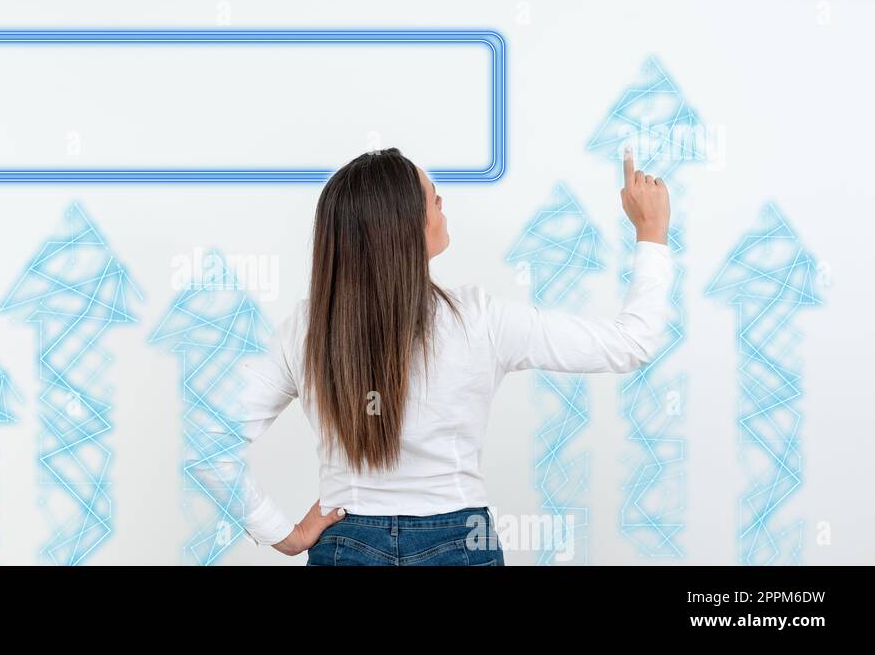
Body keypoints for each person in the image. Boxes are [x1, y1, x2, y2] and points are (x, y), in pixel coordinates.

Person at [197, 147, 674, 566]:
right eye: (432, 198)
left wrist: (281, 533)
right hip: (459, 542)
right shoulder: (481, 319)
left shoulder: (307, 327)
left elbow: (207, 437)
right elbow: (631, 343)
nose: (442, 204)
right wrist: (651, 232)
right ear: (401, 226)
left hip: (346, 542)